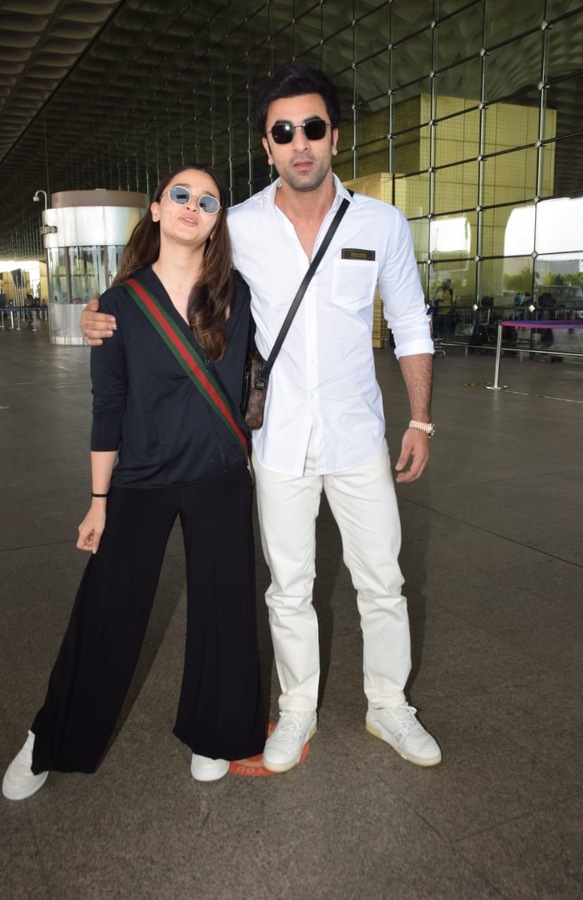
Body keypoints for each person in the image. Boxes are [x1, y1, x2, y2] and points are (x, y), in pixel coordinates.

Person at [80, 63, 442, 774]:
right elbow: (172, 269)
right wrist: (107, 312)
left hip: (359, 433)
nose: (299, 142)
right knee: (289, 586)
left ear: (334, 137)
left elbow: (410, 323)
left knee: (382, 579)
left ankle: (389, 706)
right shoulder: (237, 226)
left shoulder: (380, 223)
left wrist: (421, 420)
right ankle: (297, 708)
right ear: (268, 145)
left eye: (312, 127)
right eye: (284, 131)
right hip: (275, 442)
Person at [2, 164, 265, 801]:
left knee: (224, 608)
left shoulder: (236, 295)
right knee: (106, 610)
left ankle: (216, 731)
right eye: (181, 194)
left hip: (220, 474)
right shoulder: (118, 306)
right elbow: (107, 407)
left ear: (215, 221)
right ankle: (53, 735)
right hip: (142, 480)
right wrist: (98, 501)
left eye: (208, 200)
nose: (192, 205)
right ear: (155, 210)